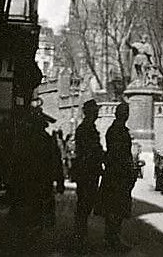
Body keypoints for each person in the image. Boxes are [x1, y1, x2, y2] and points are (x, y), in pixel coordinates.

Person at [10, 109, 65, 250]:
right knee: (37, 214)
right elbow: (56, 162)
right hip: (40, 183)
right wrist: (59, 182)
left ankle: (27, 241)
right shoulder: (47, 140)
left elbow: (14, 162)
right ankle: (31, 240)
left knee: (28, 214)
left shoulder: (24, 139)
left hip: (28, 183)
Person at [97, 102, 138, 251]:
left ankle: (112, 238)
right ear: (119, 114)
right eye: (123, 112)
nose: (125, 114)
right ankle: (113, 239)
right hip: (117, 174)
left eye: (126, 111)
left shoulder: (116, 130)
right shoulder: (118, 131)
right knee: (116, 207)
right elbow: (119, 154)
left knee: (114, 207)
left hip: (115, 173)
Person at [73, 99, 104, 243]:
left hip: (89, 170)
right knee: (84, 204)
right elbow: (90, 151)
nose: (97, 112)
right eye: (95, 110)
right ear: (90, 112)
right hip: (87, 171)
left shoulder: (88, 128)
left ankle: (81, 235)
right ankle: (80, 237)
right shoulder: (86, 129)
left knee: (85, 204)